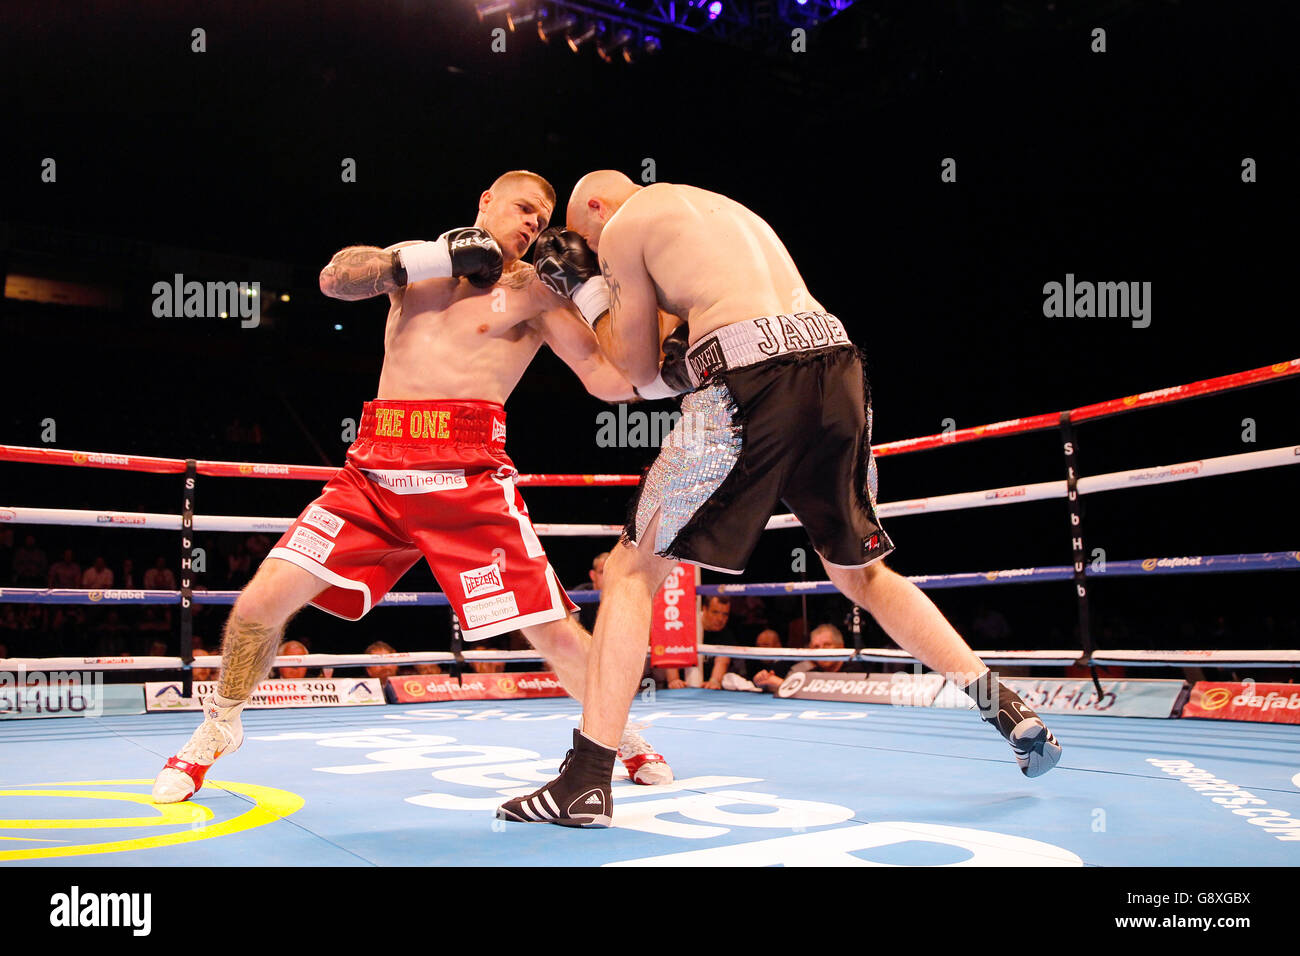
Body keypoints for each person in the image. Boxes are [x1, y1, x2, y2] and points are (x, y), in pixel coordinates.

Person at [498, 171, 1061, 828]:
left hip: (747, 384)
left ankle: (586, 780)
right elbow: (683, 355)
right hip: (839, 368)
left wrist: (591, 291)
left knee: (630, 569)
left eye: (590, 241)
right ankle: (1007, 709)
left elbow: (640, 373)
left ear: (595, 208)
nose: (598, 256)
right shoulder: (719, 212)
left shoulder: (622, 227)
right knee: (863, 575)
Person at [152, 170, 674, 804]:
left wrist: (601, 298)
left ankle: (622, 735)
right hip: (372, 475)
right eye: (523, 207)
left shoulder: (538, 292)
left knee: (555, 632)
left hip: (469, 482)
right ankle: (218, 727)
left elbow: (609, 379)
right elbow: (334, 277)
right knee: (262, 601)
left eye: (542, 218)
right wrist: (434, 256)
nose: (534, 223)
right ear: (485, 200)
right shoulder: (418, 267)